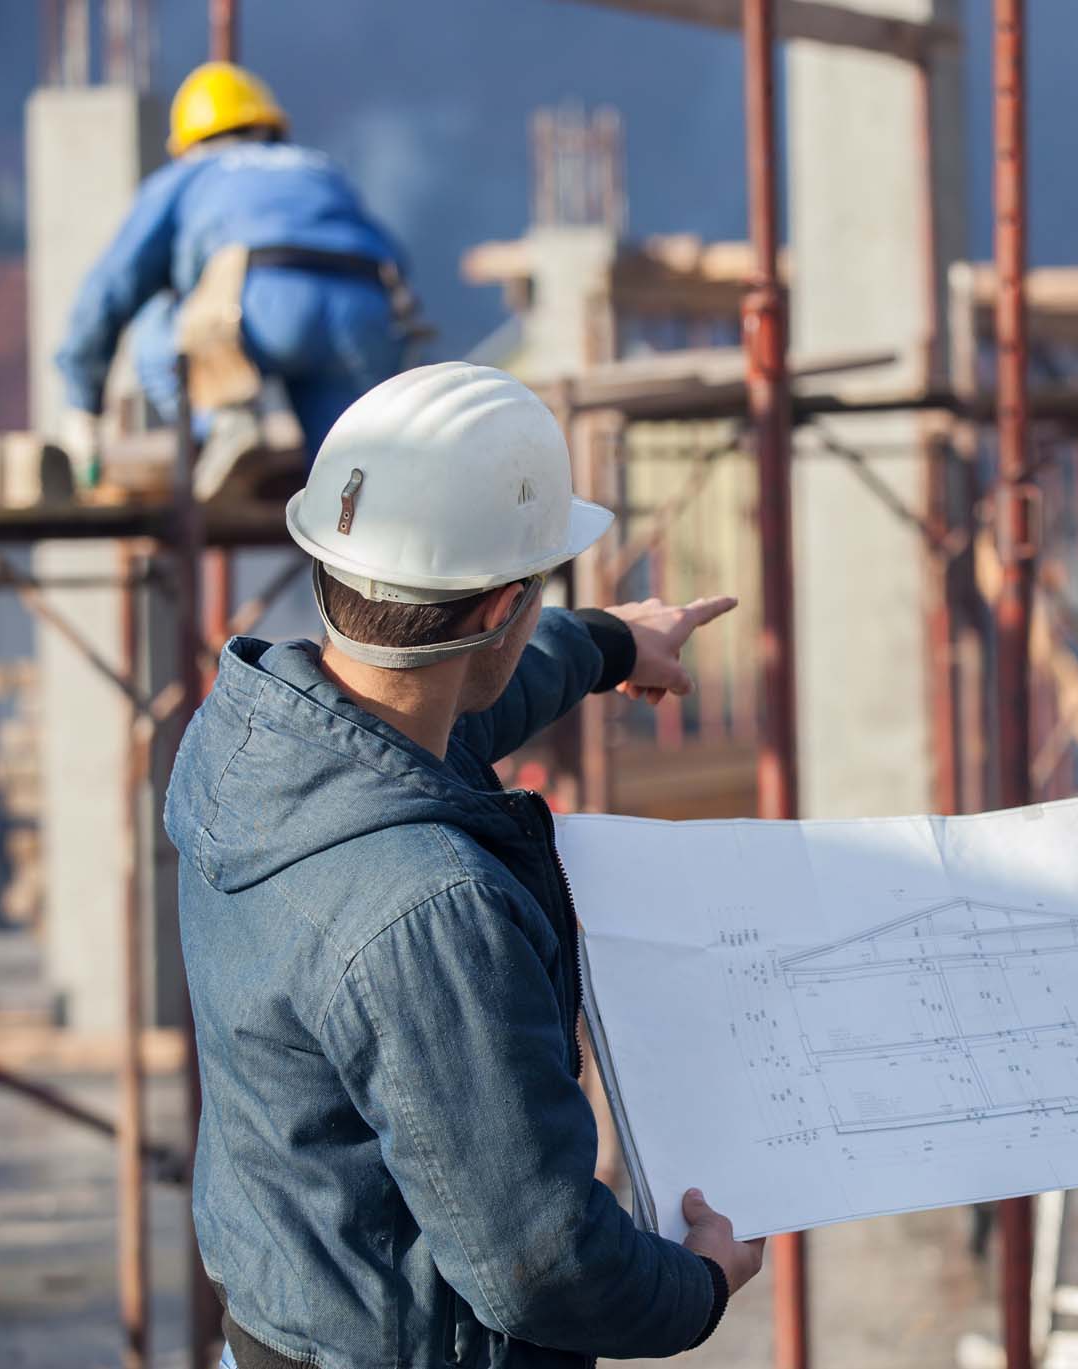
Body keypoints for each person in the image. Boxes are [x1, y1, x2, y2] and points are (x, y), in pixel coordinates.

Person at [165, 362, 761, 1369]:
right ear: (498, 608)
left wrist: (610, 643)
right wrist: (695, 1285)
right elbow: (541, 1261)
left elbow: (461, 697)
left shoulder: (253, 743)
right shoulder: (432, 908)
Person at [54, 61, 411, 490]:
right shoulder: (319, 169)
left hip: (260, 302)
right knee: (350, 479)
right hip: (363, 310)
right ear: (271, 127)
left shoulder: (188, 175)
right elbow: (394, 257)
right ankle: (355, 521)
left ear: (189, 143)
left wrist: (82, 402)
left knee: (156, 318)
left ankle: (224, 416)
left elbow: (112, 287)